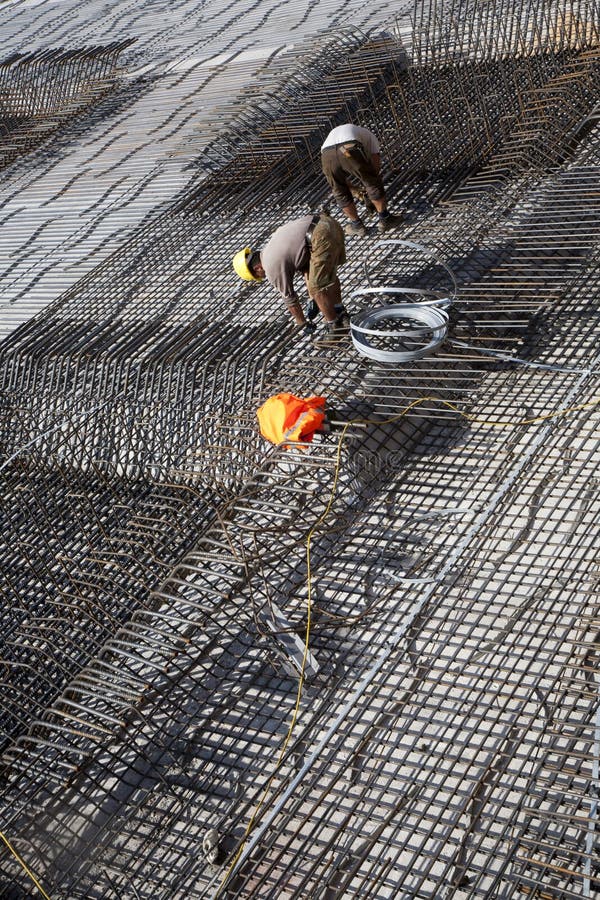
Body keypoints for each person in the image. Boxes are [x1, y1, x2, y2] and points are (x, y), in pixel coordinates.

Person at [232, 212, 350, 336]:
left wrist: (301, 323)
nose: (263, 277)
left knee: (317, 289)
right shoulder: (273, 245)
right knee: (327, 276)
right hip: (329, 224)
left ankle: (335, 327)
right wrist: (311, 298)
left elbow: (290, 300)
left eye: (258, 276)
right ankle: (340, 312)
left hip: (319, 237)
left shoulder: (270, 267)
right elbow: (306, 266)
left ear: (257, 268)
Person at [320, 123, 404, 237]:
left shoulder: (343, 133)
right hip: (347, 149)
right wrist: (369, 188)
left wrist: (354, 189)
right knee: (372, 182)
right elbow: (375, 166)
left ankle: (357, 226)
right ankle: (385, 219)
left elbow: (339, 179)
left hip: (326, 155)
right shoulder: (371, 137)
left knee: (339, 190)